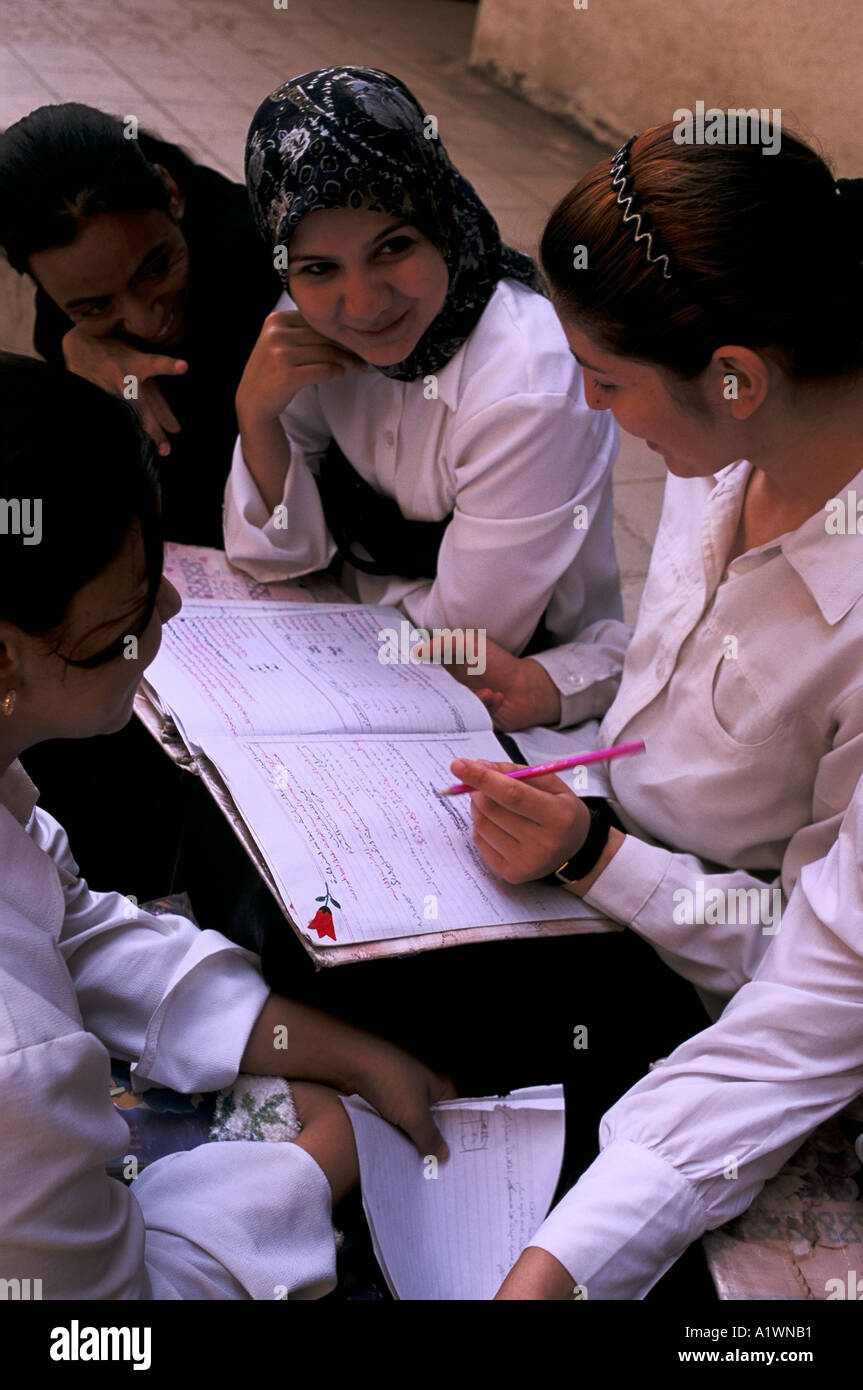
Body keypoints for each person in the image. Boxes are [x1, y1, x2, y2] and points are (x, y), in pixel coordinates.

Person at [435, 121, 863, 1296]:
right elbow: (672, 664)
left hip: (699, 965)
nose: (585, 402)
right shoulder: (733, 450)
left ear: (733, 375)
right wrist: (562, 683)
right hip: (592, 850)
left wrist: (600, 858)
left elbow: (808, 977)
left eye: (607, 381)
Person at [0, 353, 451, 1299]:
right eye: (130, 606)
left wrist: (352, 1054)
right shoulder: (15, 1072)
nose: (167, 604)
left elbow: (66, 920)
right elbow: (112, 1322)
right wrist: (309, 1163)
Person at [224, 66, 621, 655]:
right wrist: (256, 419)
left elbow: (466, 642)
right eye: (318, 268)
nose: (364, 304)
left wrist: (340, 596)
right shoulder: (303, 330)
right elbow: (274, 554)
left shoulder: (527, 381)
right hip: (355, 658)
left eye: (393, 247)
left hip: (514, 693)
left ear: (439, 215)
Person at [0, 103, 283, 893]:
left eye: (155, 267)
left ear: (171, 194)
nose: (142, 316)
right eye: (91, 306)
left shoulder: (263, 263)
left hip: (269, 558)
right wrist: (73, 349)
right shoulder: (66, 302)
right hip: (165, 557)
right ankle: (107, 899)